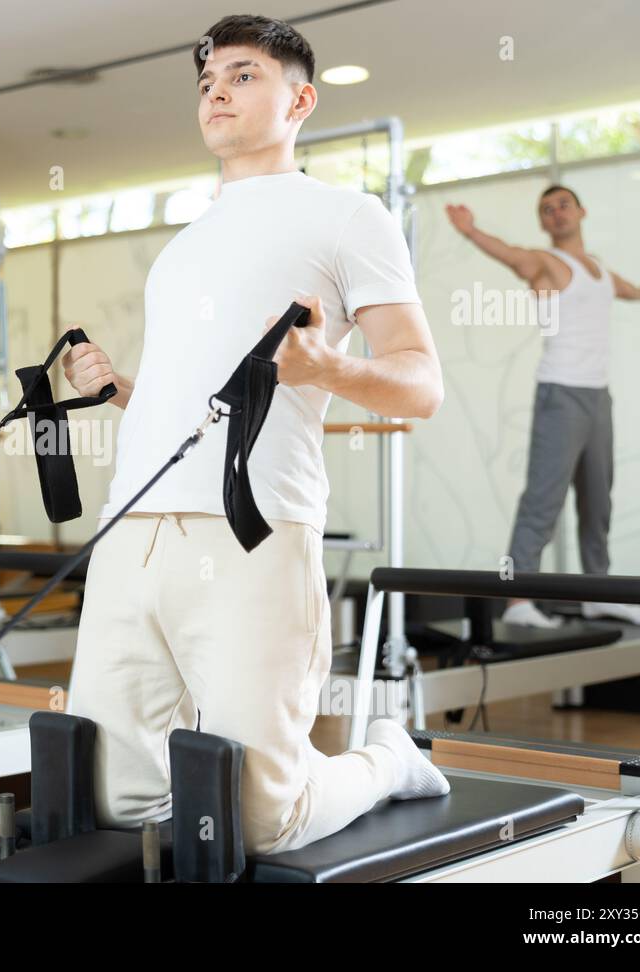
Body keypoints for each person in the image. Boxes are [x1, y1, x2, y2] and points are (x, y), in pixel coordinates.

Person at [58, 14, 448, 857]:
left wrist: (329, 368)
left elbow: (422, 384)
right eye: (207, 84)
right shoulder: (186, 244)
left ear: (301, 99)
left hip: (251, 528)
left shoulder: (348, 218)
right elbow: (196, 401)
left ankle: (387, 757)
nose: (216, 93)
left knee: (262, 817)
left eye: (241, 76)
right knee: (116, 796)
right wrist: (121, 386)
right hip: (133, 533)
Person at [446, 187, 640, 628]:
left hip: (598, 397)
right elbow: (511, 255)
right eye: (547, 209)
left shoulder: (598, 268)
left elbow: (618, 288)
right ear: (543, 223)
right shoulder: (546, 264)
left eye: (564, 204)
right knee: (543, 500)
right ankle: (517, 600)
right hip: (560, 395)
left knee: (598, 500)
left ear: (582, 211)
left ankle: (597, 592)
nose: (557, 212)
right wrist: (471, 232)